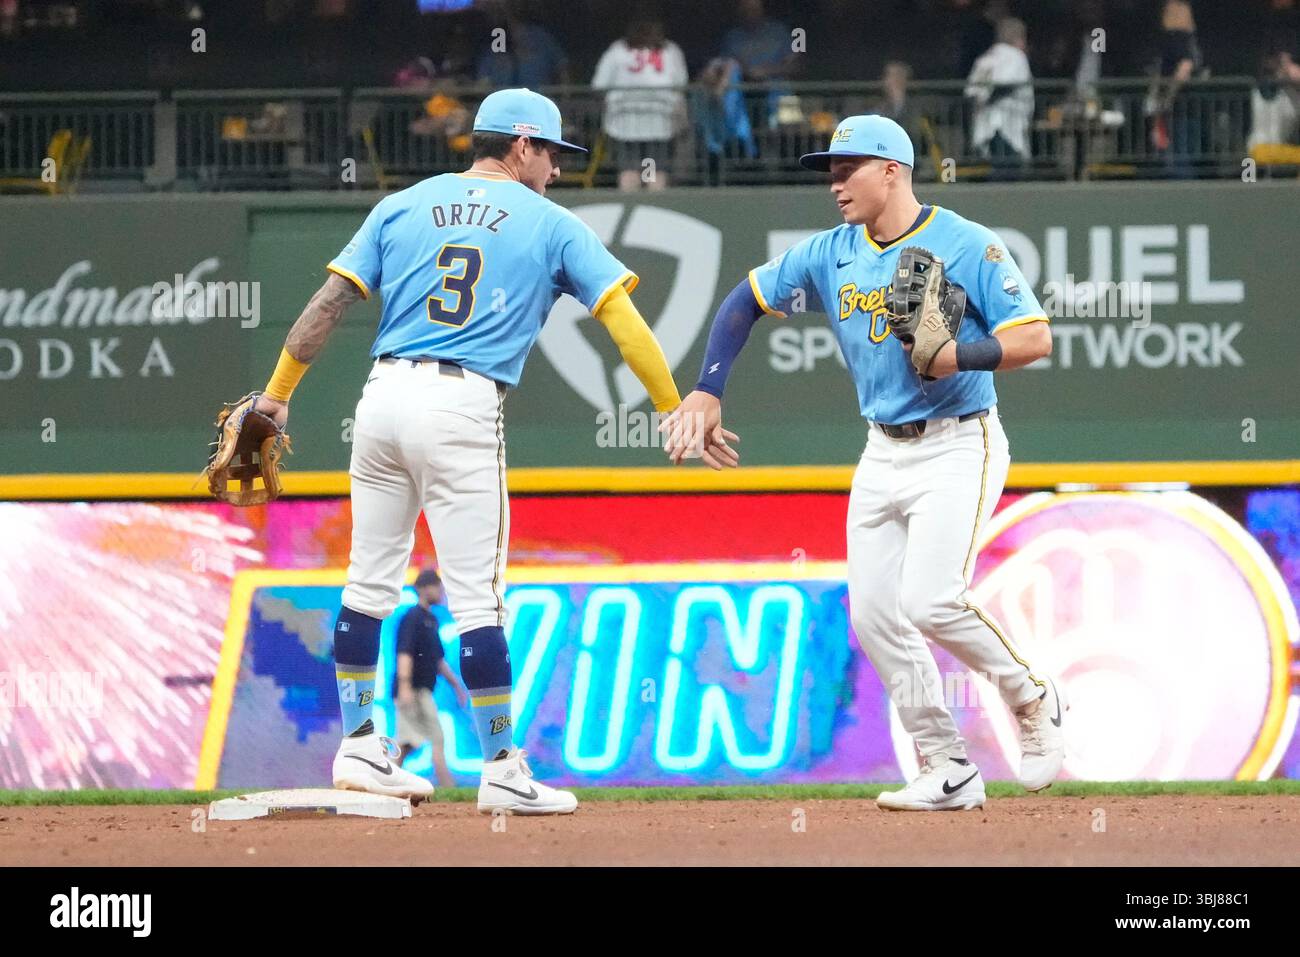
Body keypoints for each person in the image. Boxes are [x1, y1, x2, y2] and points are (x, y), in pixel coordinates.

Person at [245, 88, 736, 813]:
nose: (559, 171)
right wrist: (672, 407)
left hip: (380, 400)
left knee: (367, 583)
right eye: (553, 154)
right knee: (479, 599)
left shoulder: (401, 205)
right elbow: (623, 319)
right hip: (461, 405)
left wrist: (277, 393)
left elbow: (327, 305)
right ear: (520, 146)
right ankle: (503, 766)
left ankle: (358, 746)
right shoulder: (549, 222)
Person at [662, 114, 1065, 812]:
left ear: (892, 170)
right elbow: (744, 300)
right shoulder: (830, 253)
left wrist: (956, 354)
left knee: (930, 598)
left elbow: (1034, 339)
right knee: (877, 613)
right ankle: (945, 764)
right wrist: (708, 386)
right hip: (882, 447)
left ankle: (1031, 694)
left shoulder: (963, 243)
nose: (835, 181)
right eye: (830, 168)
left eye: (848, 167)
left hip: (958, 439)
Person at [591, 14, 690, 191]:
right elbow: (681, 85)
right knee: (649, 172)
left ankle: (638, 206)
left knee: (632, 171)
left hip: (629, 125)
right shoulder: (669, 51)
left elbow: (599, 85)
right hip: (653, 124)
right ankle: (650, 210)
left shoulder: (618, 51)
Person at [393, 568, 467, 788]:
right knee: (415, 741)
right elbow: (404, 653)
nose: (441, 591)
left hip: (424, 690)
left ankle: (444, 785)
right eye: (437, 586)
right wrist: (404, 686)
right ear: (424, 589)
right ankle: (446, 786)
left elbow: (437, 660)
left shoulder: (431, 620)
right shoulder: (412, 617)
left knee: (420, 741)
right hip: (412, 689)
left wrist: (456, 686)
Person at [964, 16, 1034, 178]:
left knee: (995, 168)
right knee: (1007, 172)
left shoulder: (986, 57)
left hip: (986, 123)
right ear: (1018, 37)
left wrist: (982, 103)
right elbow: (1005, 84)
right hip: (1006, 123)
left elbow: (971, 92)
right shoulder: (1015, 56)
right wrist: (989, 101)